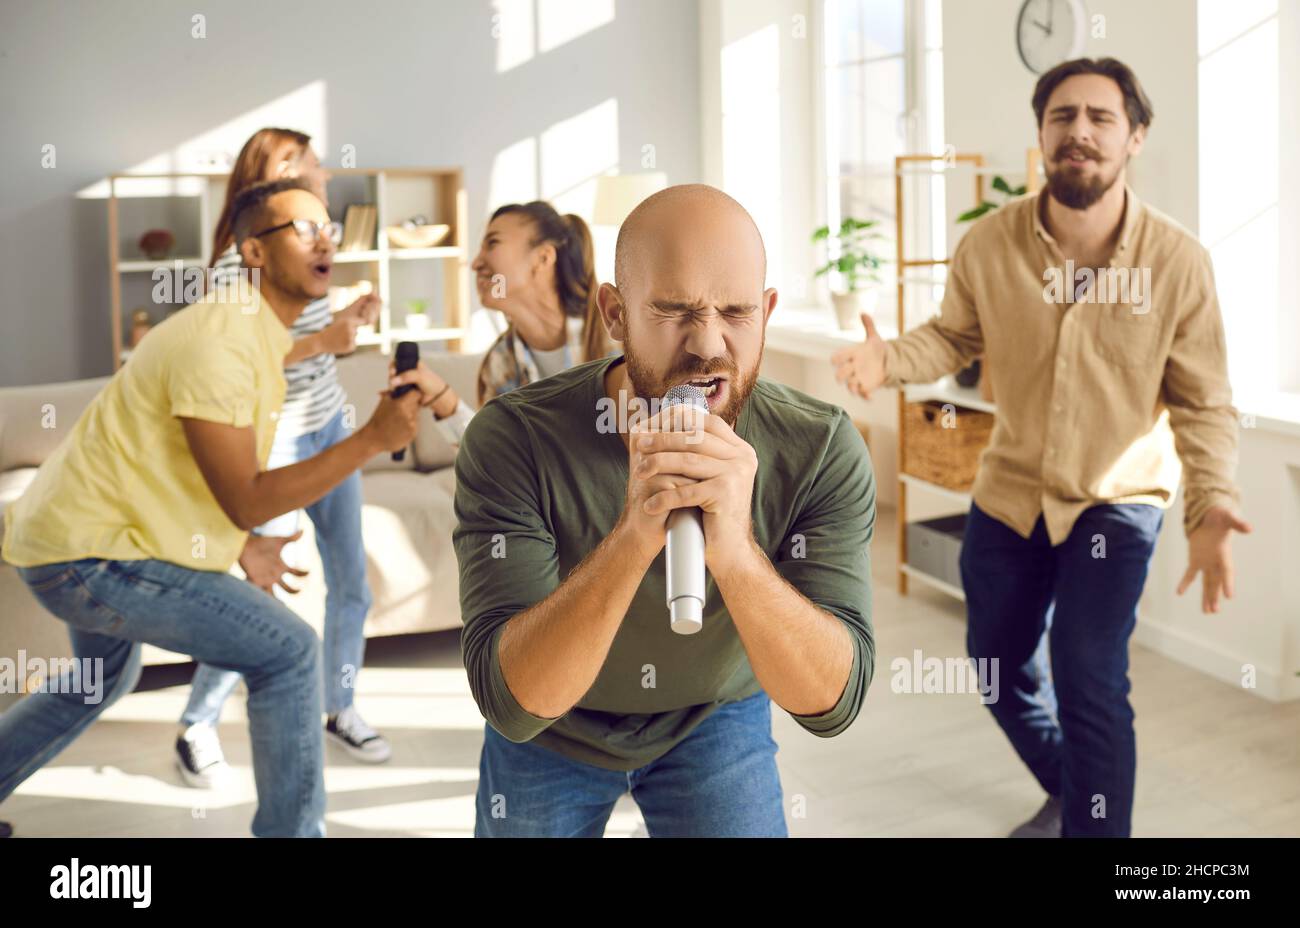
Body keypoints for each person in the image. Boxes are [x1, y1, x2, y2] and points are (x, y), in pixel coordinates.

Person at [831, 57, 1249, 838]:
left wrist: (1212, 502)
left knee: (1089, 675)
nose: (1080, 131)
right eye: (1063, 117)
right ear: (1043, 134)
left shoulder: (1178, 263)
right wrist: (889, 360)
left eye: (1100, 117)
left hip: (1115, 503)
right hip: (1011, 491)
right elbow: (952, 336)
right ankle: (1072, 790)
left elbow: (1203, 404)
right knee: (997, 670)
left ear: (1135, 137)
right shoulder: (990, 245)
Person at [0, 178, 428, 837]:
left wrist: (241, 546)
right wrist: (372, 439)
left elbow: (188, 474)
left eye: (329, 229)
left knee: (102, 678)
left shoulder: (249, 332)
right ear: (253, 253)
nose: (326, 241)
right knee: (288, 651)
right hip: (88, 556)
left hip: (71, 542)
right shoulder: (220, 343)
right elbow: (245, 495)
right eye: (303, 229)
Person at [446, 184, 875, 837]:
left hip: (714, 713)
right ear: (614, 314)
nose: (707, 345)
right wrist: (634, 535)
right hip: (554, 730)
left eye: (735, 312)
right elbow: (514, 705)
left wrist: (734, 551)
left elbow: (832, 704)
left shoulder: (820, 445)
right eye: (675, 312)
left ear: (766, 312)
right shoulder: (513, 437)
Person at [175, 128, 388, 789]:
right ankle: (196, 723)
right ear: (282, 172)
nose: (325, 174)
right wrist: (327, 335)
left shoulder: (310, 250)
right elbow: (239, 359)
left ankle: (340, 706)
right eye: (313, 166)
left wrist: (347, 323)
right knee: (257, 592)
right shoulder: (237, 271)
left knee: (352, 580)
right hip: (273, 444)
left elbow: (308, 343)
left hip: (327, 426)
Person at [403, 201, 608, 446]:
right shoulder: (500, 364)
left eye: (492, 243)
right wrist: (443, 399)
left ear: (543, 258)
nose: (475, 264)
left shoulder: (617, 336)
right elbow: (496, 460)